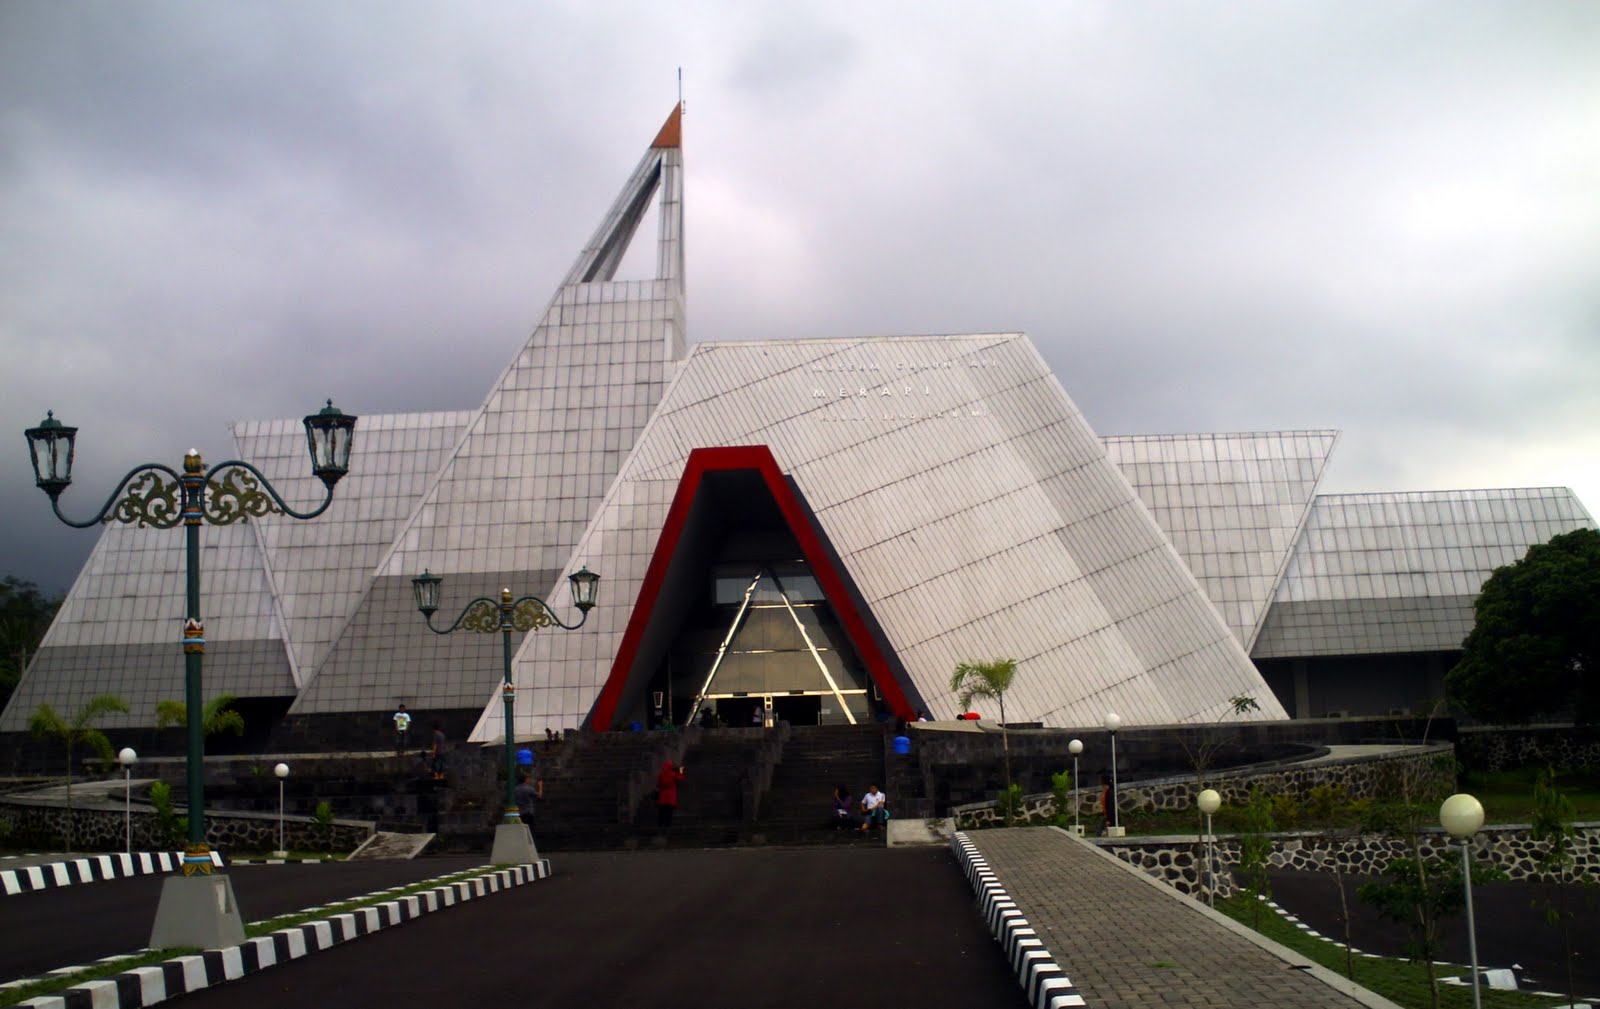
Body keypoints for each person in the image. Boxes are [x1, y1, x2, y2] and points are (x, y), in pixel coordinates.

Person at [655, 758, 685, 828]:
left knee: (661, 813)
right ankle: (667, 827)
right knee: (669, 813)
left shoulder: (661, 774)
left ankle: (660, 827)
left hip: (662, 798)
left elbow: (658, 785)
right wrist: (681, 771)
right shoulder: (673, 774)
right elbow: (681, 778)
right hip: (671, 798)